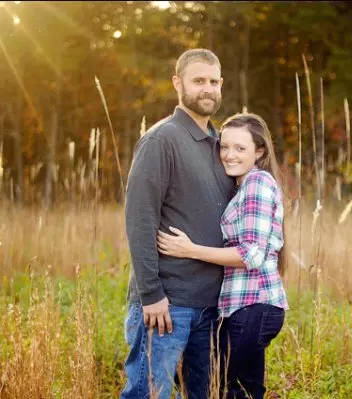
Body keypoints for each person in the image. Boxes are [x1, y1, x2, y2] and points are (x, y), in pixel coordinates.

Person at [121, 48, 234, 399]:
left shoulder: (221, 145)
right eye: (198, 80)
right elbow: (139, 220)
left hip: (210, 306)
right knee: (148, 394)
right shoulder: (161, 140)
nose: (208, 89)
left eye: (214, 81)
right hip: (167, 305)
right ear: (177, 83)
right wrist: (151, 294)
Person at [157, 112, 289, 399]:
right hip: (244, 307)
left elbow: (250, 256)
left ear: (260, 151)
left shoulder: (257, 184)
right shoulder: (241, 187)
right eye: (224, 146)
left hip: (253, 306)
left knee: (213, 383)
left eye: (240, 148)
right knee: (243, 390)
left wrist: (190, 250)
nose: (229, 155)